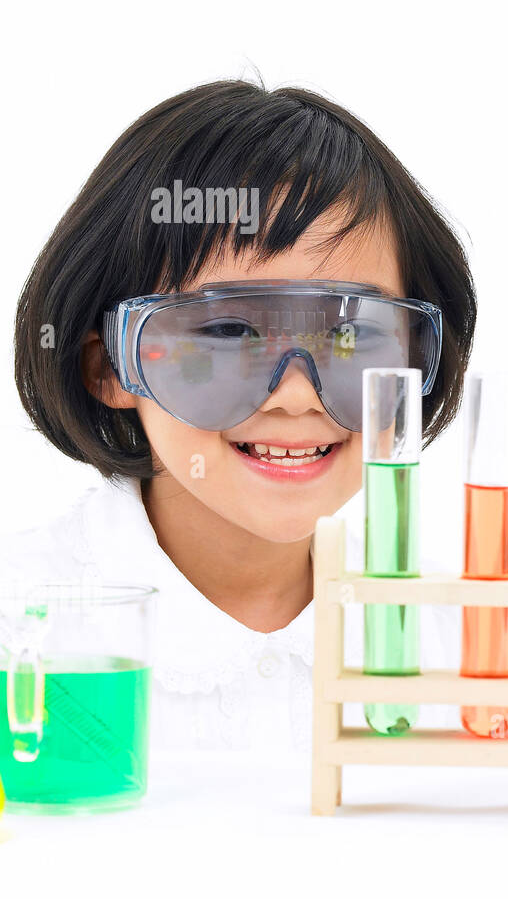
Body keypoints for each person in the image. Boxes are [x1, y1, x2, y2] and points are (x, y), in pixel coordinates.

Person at [3, 80, 476, 753]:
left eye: (349, 334)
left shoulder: (467, 636)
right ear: (108, 366)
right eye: (228, 332)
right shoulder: (20, 624)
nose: (296, 396)